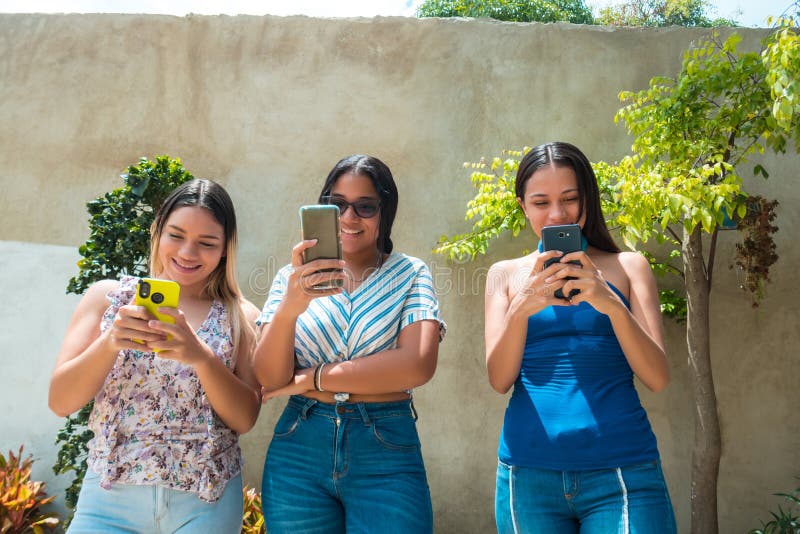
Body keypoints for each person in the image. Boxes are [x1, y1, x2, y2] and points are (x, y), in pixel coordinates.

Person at [48, 179, 261, 533]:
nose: (188, 253)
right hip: (109, 500)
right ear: (157, 232)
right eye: (176, 235)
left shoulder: (241, 317)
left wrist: (201, 356)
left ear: (225, 249)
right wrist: (111, 341)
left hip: (206, 500)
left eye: (207, 243)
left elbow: (245, 419)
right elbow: (60, 401)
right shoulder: (109, 298)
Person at [484, 142, 676, 533]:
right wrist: (521, 308)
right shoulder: (503, 275)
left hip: (623, 470)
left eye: (570, 199)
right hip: (527, 475)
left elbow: (657, 377)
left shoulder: (629, 267)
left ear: (588, 198)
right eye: (541, 203)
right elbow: (499, 379)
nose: (557, 214)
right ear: (523, 206)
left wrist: (610, 303)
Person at [254, 154, 445, 534]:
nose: (349, 217)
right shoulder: (291, 278)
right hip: (299, 446)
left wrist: (313, 378)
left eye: (365, 206)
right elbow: (269, 377)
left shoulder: (410, 273)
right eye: (337, 204)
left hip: (384, 445)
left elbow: (416, 365)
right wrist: (291, 307)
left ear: (385, 212)